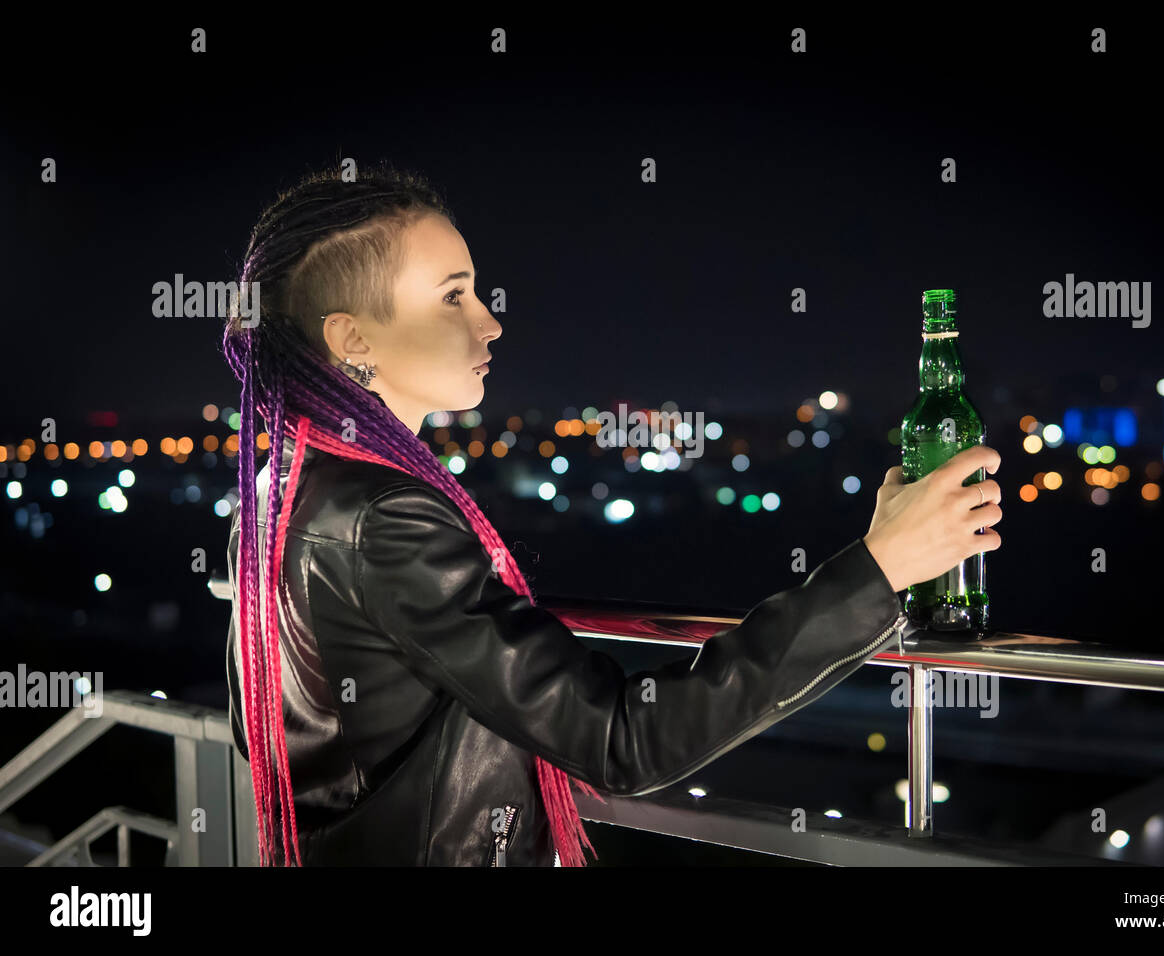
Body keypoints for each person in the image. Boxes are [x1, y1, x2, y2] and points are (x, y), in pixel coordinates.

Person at [221, 162, 1003, 867]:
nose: (490, 323)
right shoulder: (383, 519)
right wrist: (879, 568)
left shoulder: (276, 491)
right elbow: (622, 738)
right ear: (352, 337)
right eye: (453, 295)